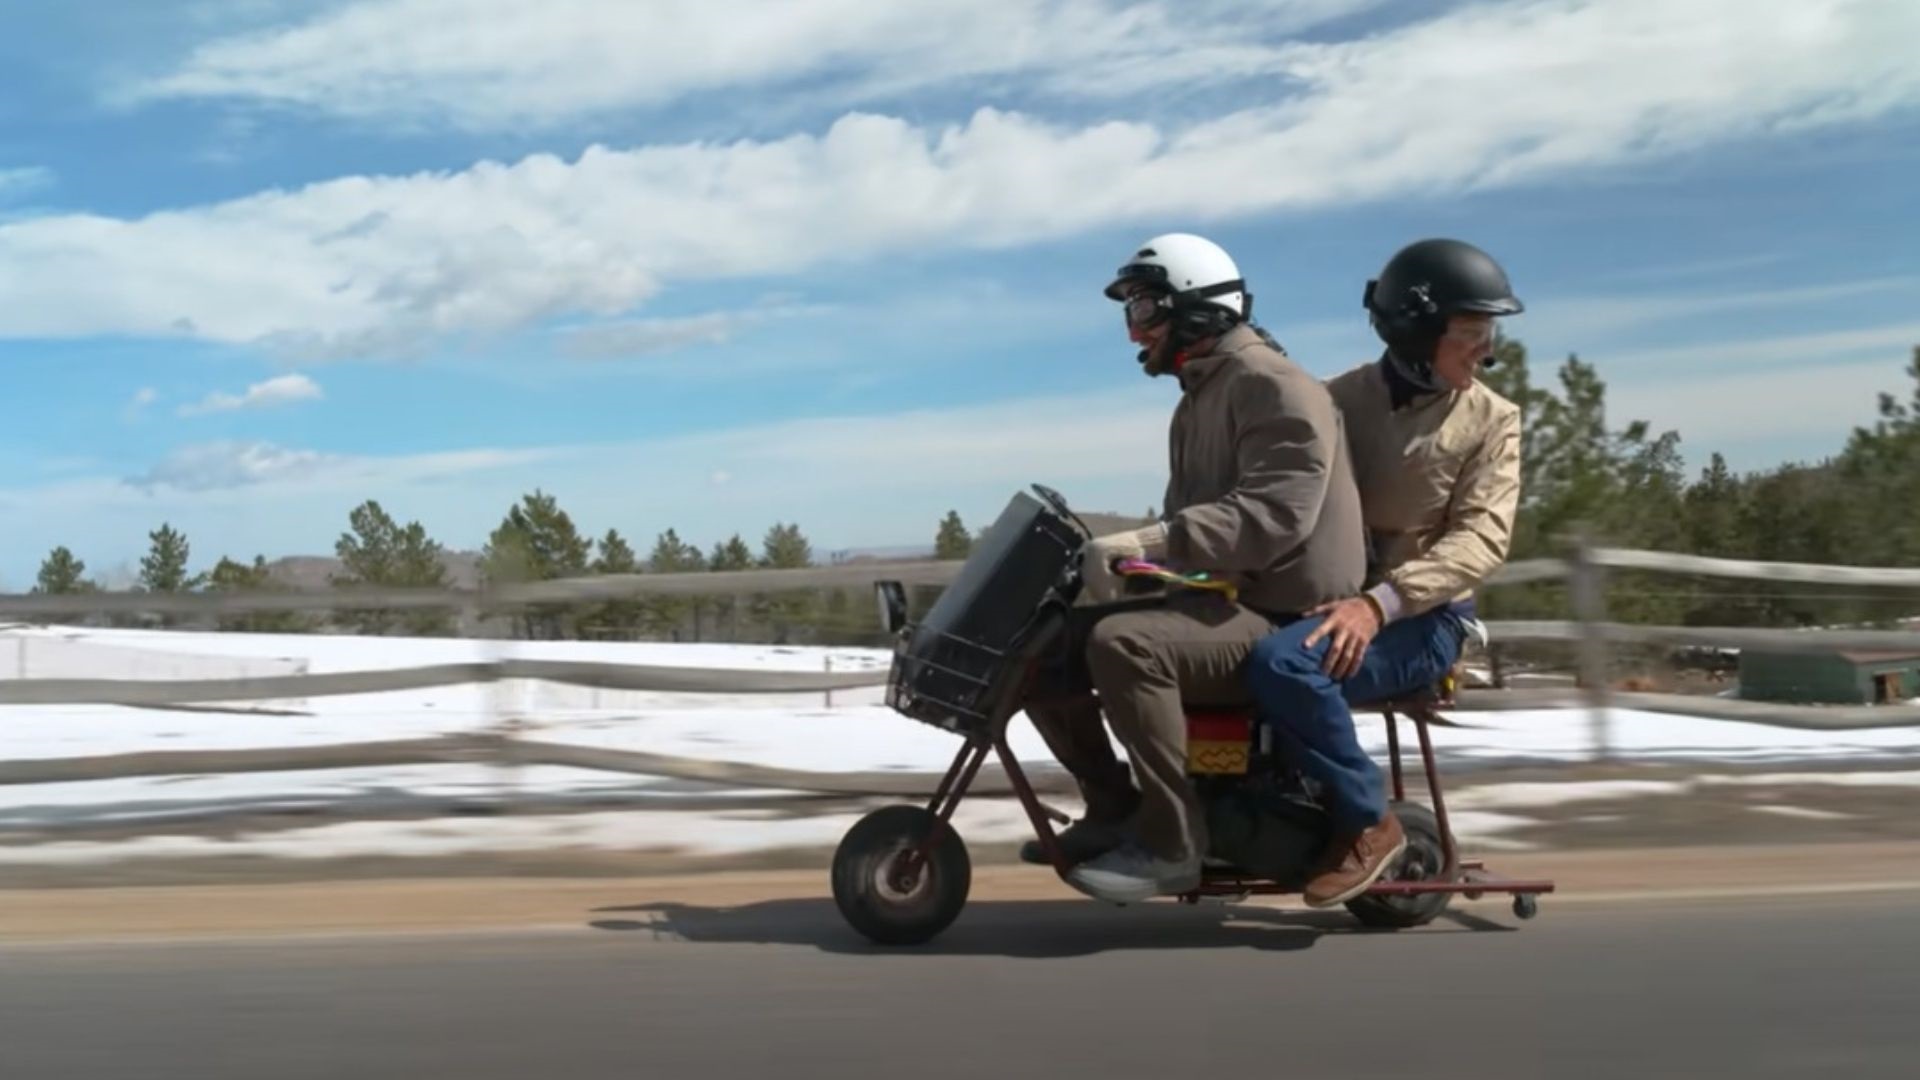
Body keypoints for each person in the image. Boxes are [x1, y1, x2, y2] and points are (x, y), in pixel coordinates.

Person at [1018, 232, 1365, 903]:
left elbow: (1272, 517)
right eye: (1132, 313)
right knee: (1046, 642)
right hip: (1233, 599)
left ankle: (1173, 844)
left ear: (1199, 310)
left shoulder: (1276, 387)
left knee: (1126, 647)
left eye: (1146, 310)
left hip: (1289, 619)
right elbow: (1197, 536)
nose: (1133, 333)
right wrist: (1136, 568)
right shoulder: (1200, 398)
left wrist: (1150, 543)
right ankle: (1114, 809)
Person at [1243, 237, 1525, 909]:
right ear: (1416, 330)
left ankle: (1371, 826)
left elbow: (1483, 537)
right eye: (1473, 334)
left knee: (1286, 667)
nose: (1488, 350)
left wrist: (1379, 604)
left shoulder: (1493, 420)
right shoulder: (1336, 400)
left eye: (1490, 334)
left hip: (1422, 620)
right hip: (1322, 603)